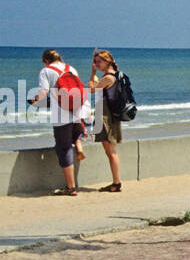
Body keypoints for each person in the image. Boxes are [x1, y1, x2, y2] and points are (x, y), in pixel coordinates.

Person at [27, 49, 89, 195]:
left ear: (46, 61)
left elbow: (43, 92)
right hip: (79, 109)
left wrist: (36, 100)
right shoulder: (71, 68)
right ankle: (79, 145)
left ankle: (70, 187)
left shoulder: (46, 71)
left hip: (62, 114)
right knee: (75, 134)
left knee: (63, 147)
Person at [85, 49, 125, 192]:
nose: (97, 64)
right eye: (95, 62)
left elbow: (91, 89)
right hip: (111, 113)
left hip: (105, 113)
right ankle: (116, 181)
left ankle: (116, 182)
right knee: (111, 150)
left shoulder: (108, 77)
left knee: (110, 150)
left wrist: (93, 73)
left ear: (107, 61)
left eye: (99, 62)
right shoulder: (118, 75)